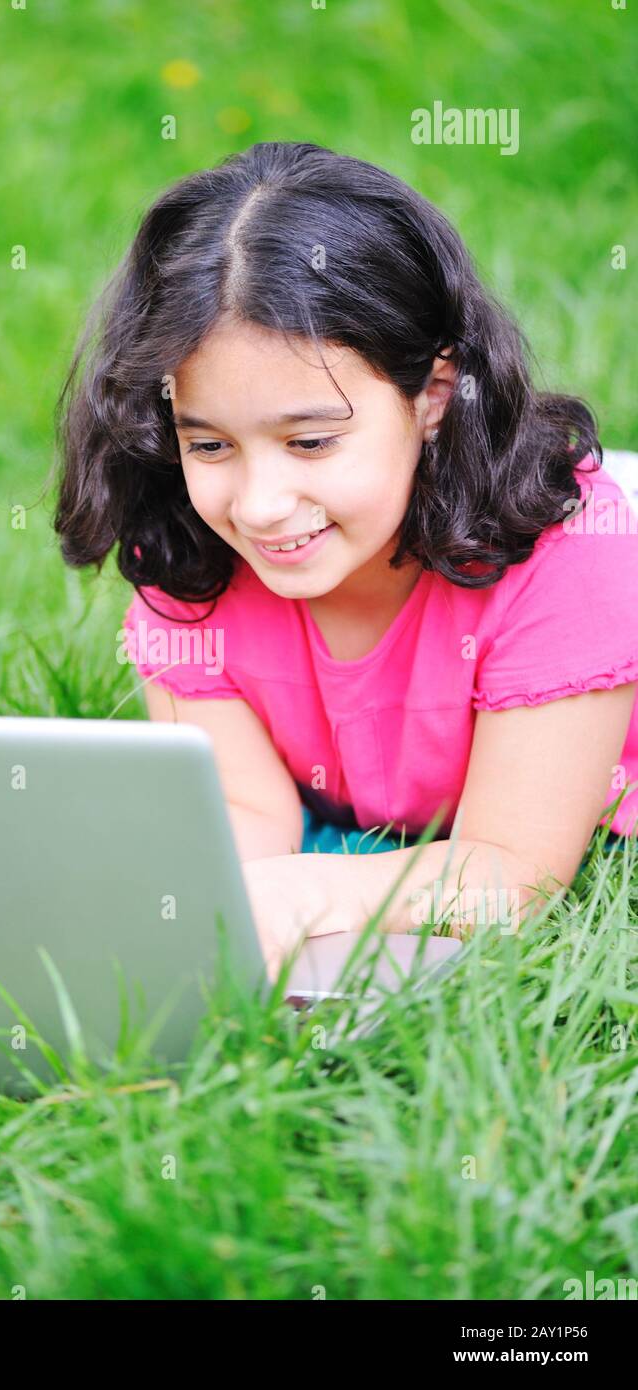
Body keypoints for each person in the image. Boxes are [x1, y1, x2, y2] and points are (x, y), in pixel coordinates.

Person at [50, 142, 638, 975]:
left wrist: (306, 893)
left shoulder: (568, 559)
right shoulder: (191, 555)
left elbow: (511, 871)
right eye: (210, 444)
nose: (258, 505)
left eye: (312, 440)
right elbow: (246, 811)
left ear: (434, 395)